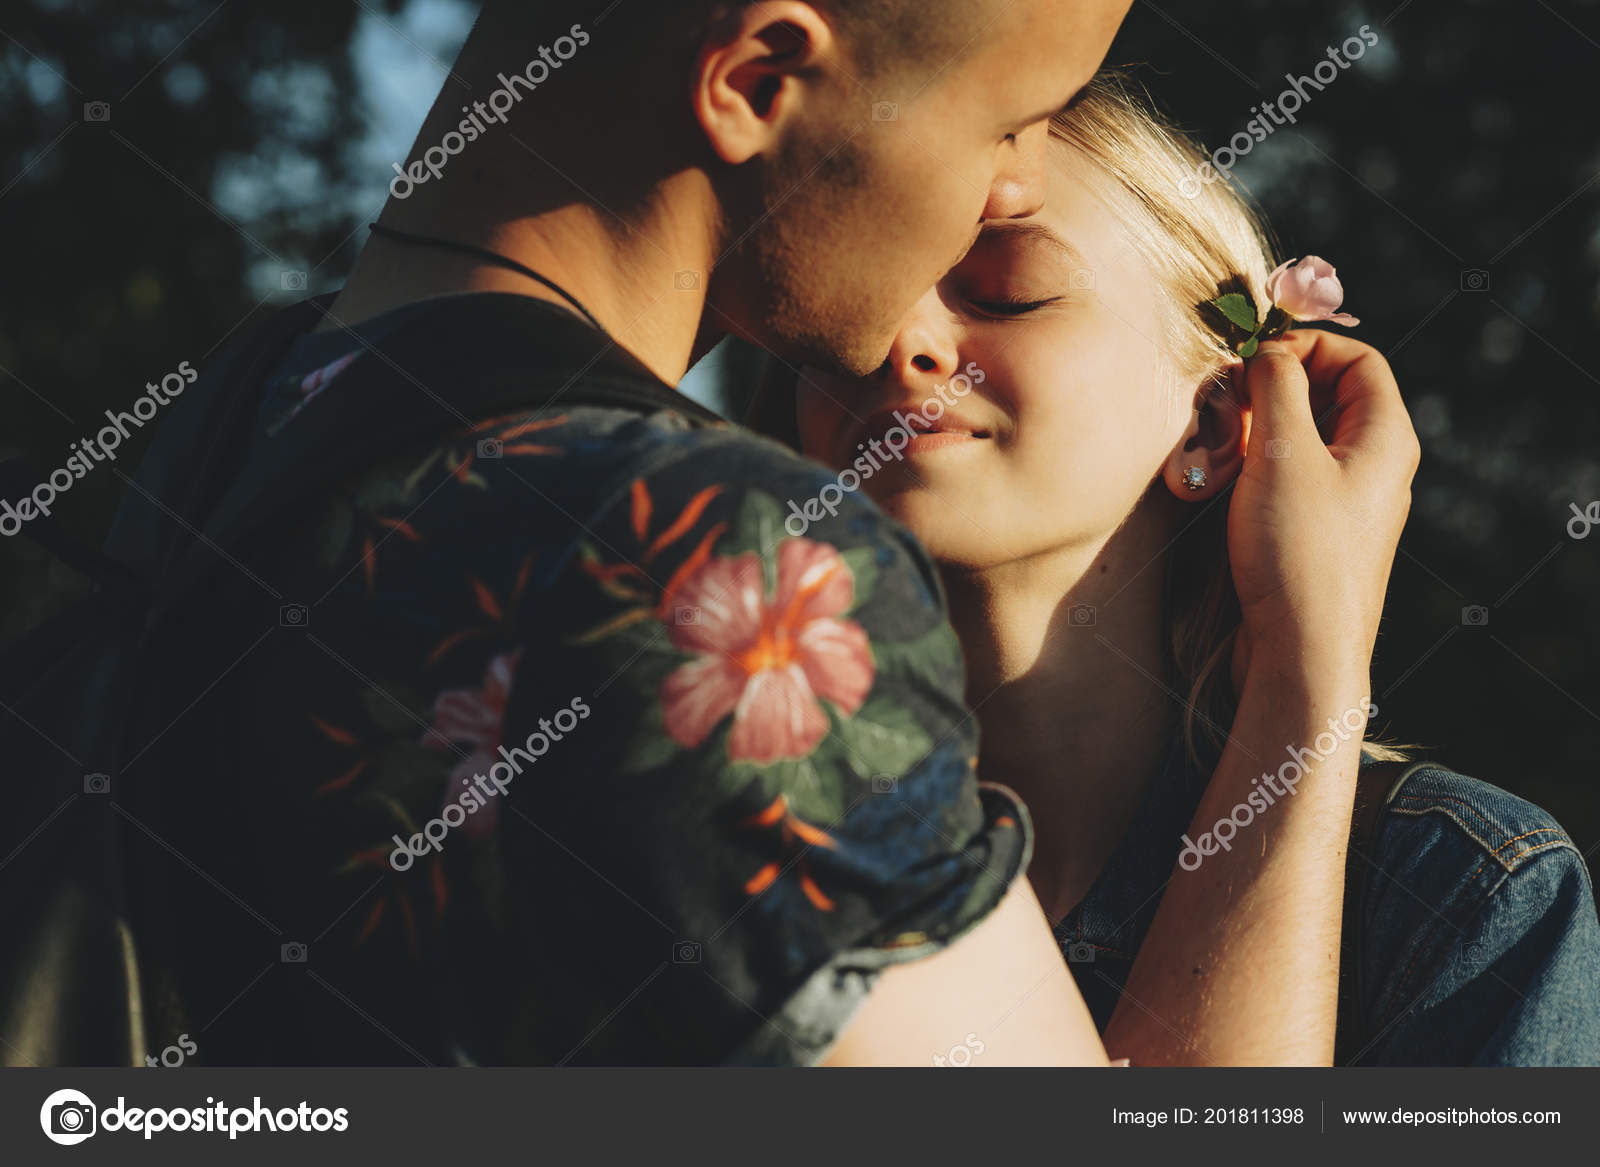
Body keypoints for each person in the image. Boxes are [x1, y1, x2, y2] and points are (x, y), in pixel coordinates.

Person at [99, 1, 1416, 1066]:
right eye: (1007, 118)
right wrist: (1309, 669)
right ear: (758, 77)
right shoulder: (715, 565)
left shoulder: (188, 446)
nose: (1010, 176)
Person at [793, 76, 1600, 1065]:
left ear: (1215, 424)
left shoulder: (1456, 895)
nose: (896, 340)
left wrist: (1311, 666)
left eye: (1005, 291)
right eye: (858, 293)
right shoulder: (716, 847)